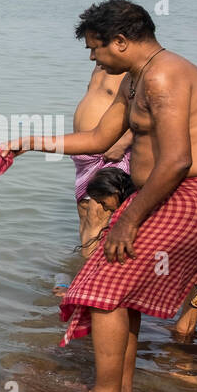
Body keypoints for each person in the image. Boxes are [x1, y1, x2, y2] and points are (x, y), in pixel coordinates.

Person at [0, 0, 197, 392]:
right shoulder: (136, 79)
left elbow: (177, 160)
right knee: (118, 291)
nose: (93, 56)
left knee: (103, 288)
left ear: (122, 41)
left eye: (96, 48)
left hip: (191, 192)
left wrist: (127, 218)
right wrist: (28, 142)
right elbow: (97, 140)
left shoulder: (164, 77)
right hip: (164, 191)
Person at [71, 65, 133, 258]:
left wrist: (123, 142)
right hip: (86, 154)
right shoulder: (102, 62)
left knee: (97, 215)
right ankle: (84, 271)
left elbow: (149, 110)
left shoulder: (131, 65)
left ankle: (90, 282)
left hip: (112, 151)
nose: (91, 55)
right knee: (85, 213)